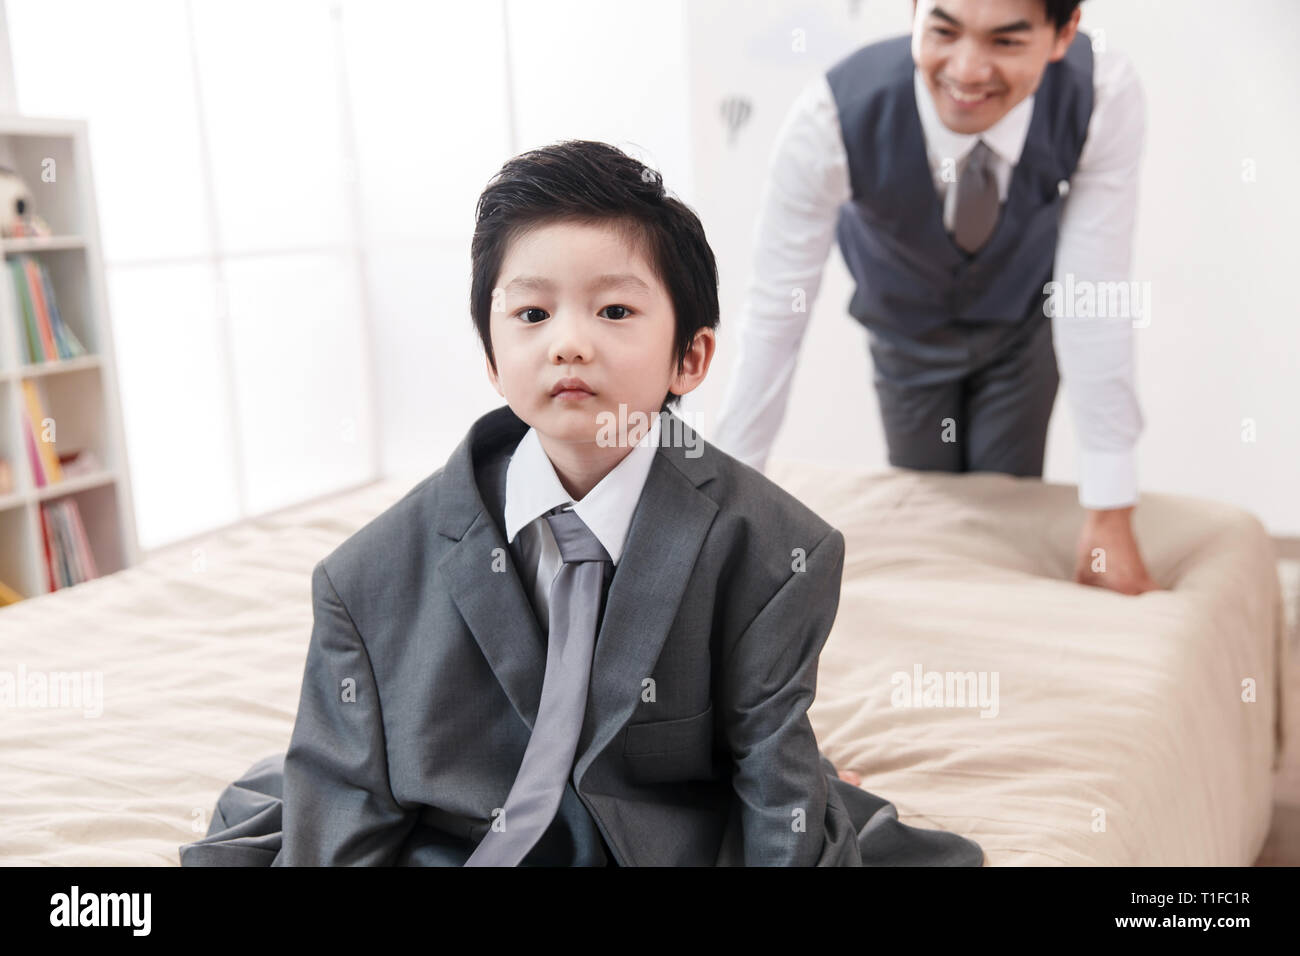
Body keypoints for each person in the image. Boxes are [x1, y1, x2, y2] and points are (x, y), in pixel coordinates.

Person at [179, 139, 982, 866]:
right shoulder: (366, 575)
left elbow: (775, 796)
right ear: (493, 359)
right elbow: (343, 821)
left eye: (615, 311)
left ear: (691, 357)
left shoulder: (776, 553)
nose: (568, 341)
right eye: (531, 314)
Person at [713, 0, 1158, 595]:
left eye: (1005, 41)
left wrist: (1110, 511)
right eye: (944, 31)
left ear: (1063, 32)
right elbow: (775, 315)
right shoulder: (831, 119)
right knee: (929, 514)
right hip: (905, 332)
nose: (968, 71)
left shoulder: (1102, 95)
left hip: (1022, 329)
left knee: (1002, 514)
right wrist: (723, 512)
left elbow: (1092, 296)